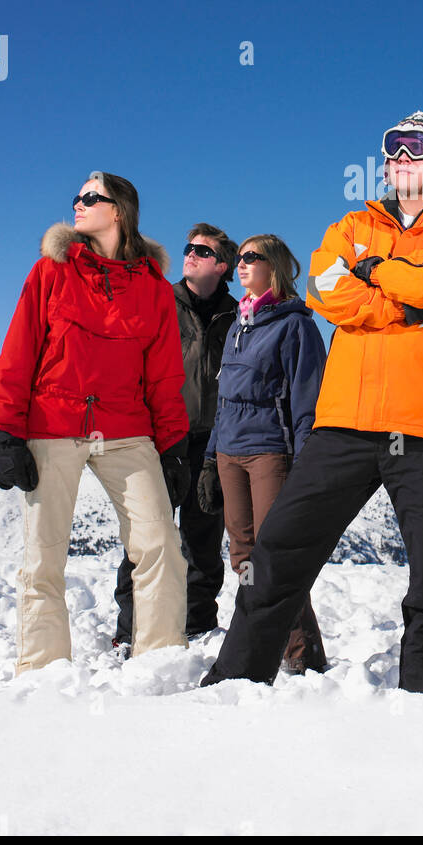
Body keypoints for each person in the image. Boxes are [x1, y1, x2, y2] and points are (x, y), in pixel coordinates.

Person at [201, 111, 423, 694]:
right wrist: (404, 301)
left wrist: (378, 271)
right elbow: (325, 289)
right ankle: (234, 682)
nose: (400, 157)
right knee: (278, 552)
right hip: (344, 422)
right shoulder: (350, 227)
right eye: (391, 147)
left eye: (415, 146)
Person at [0, 172, 190, 673]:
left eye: (91, 197)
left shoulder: (155, 290)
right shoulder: (50, 272)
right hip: (53, 426)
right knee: (43, 559)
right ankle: (42, 671)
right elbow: (19, 351)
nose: (78, 204)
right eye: (76, 197)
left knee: (160, 543)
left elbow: (165, 374)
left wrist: (174, 444)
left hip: (127, 430)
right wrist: (4, 431)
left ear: (118, 210)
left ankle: (159, 662)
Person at [196, 235, 328, 675]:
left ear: (273, 266)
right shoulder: (239, 324)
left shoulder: (296, 326)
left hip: (271, 451)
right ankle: (277, 647)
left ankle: (302, 656)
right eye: (239, 259)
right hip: (231, 451)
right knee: (243, 557)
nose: (241, 264)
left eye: (251, 257)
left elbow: (309, 402)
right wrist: (212, 459)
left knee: (276, 558)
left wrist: (308, 467)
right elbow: (224, 399)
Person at [112, 223, 239, 651]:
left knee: (203, 540)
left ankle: (199, 627)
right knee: (148, 537)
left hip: (212, 442)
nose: (190, 255)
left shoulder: (238, 316)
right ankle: (130, 630)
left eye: (202, 251)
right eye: (188, 248)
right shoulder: (158, 302)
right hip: (160, 438)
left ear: (223, 266)